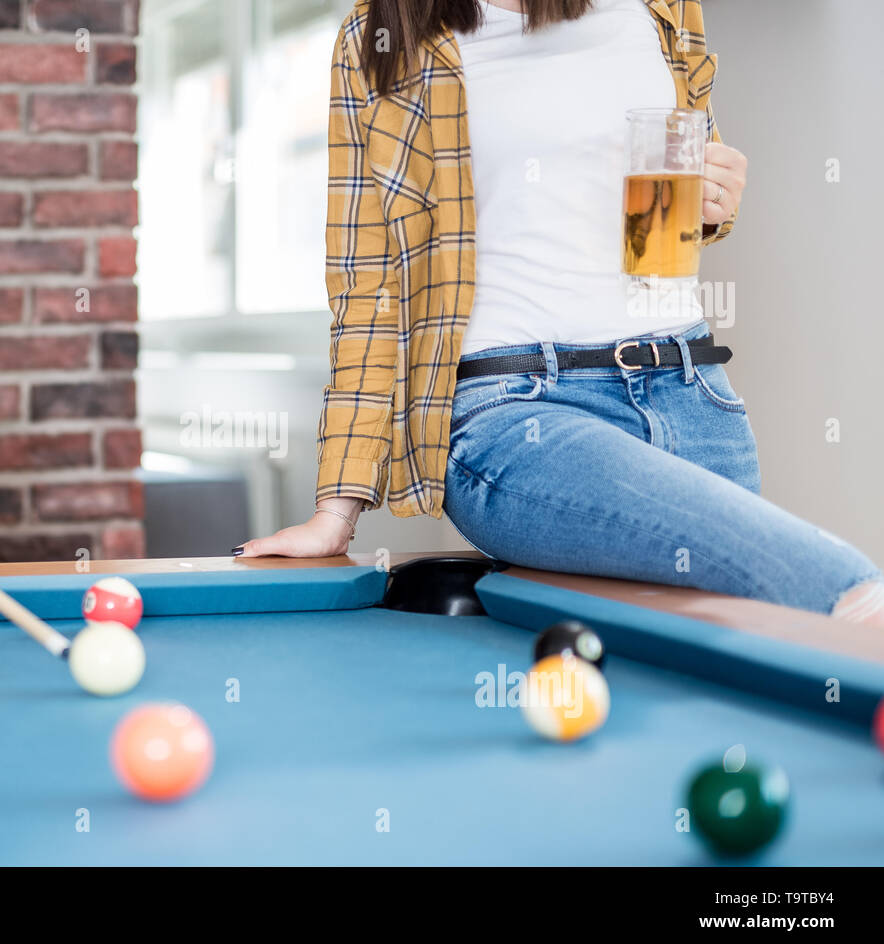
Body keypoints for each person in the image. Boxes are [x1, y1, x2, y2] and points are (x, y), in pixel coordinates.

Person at [236, 0, 884, 623]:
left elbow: (678, 199)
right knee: (819, 580)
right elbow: (370, 292)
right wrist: (336, 510)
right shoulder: (383, 35)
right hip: (518, 413)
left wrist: (717, 198)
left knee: (718, 668)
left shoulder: (660, 7)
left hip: (693, 392)